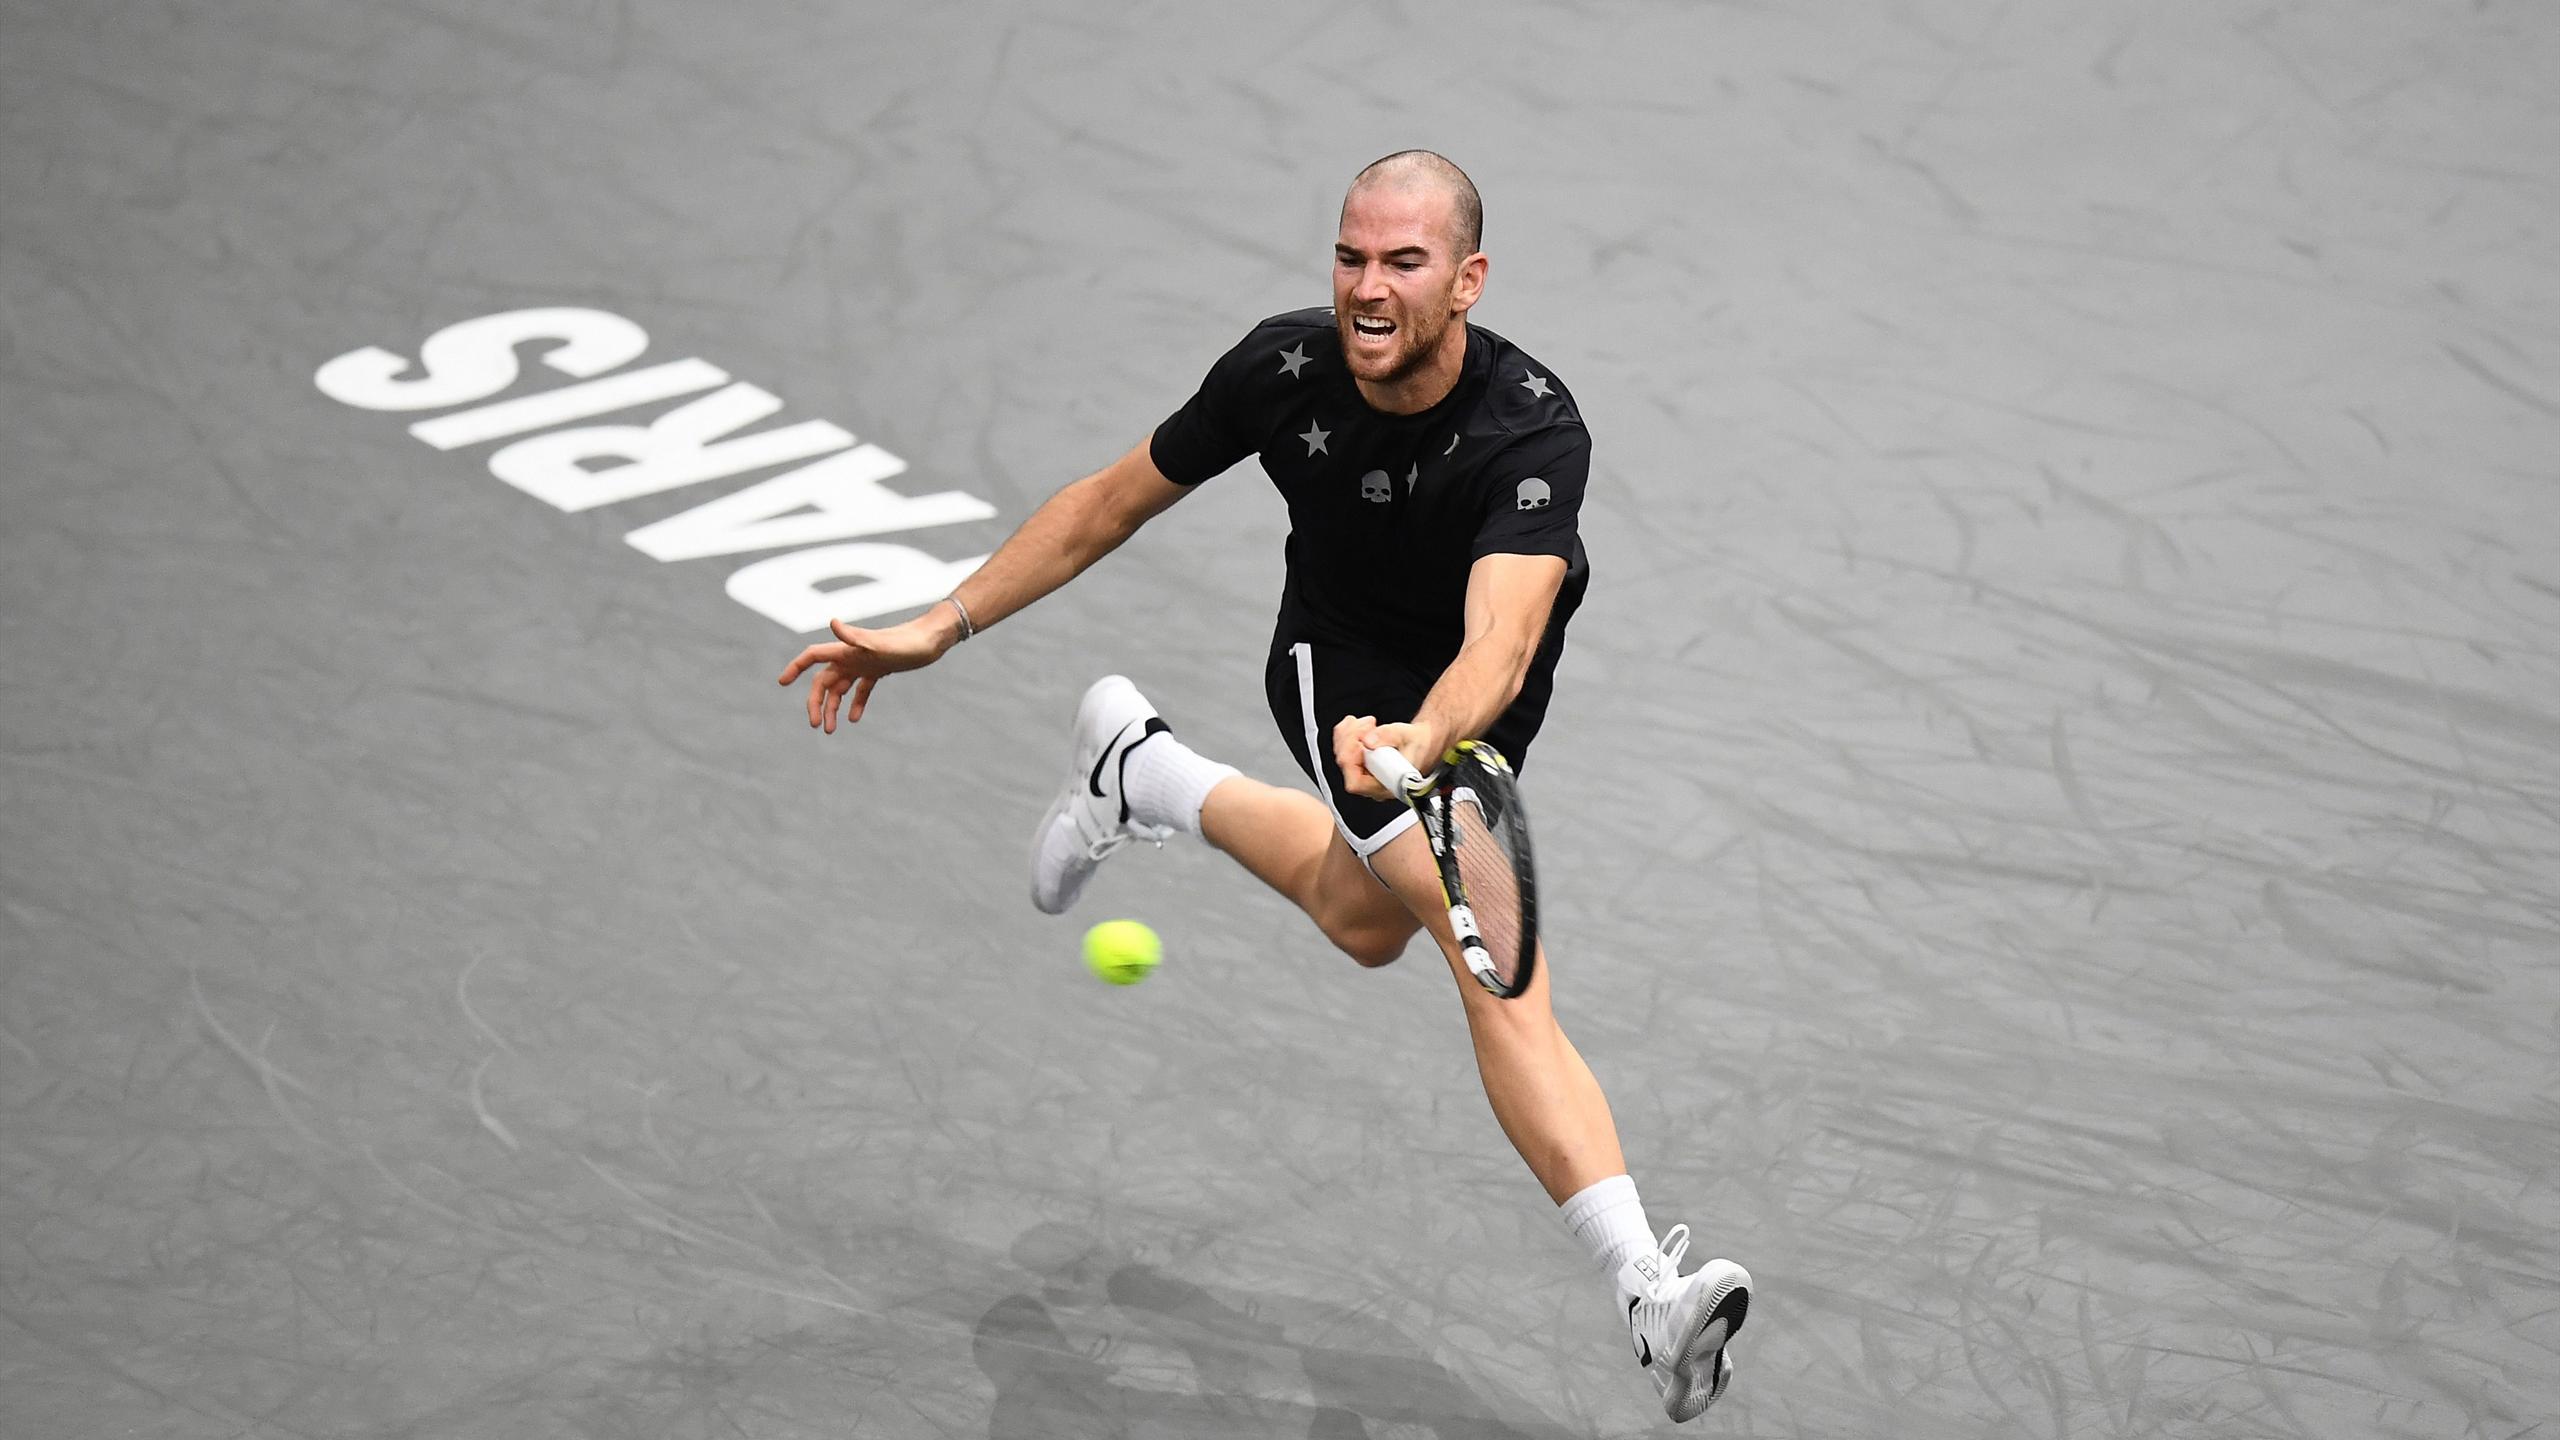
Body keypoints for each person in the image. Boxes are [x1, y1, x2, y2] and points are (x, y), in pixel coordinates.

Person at [780, 150, 1751, 1423]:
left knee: (1363, 926)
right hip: (1333, 675)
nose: (1365, 286)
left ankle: (1144, 771)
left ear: (1467, 280)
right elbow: (1103, 507)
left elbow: (1501, 644)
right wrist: (936, 624)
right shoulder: (1280, 373)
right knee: (1495, 967)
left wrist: (1424, 742)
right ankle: (1643, 1289)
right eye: (1349, 255)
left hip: (1454, 709)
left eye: (1402, 261)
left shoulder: (1528, 429)